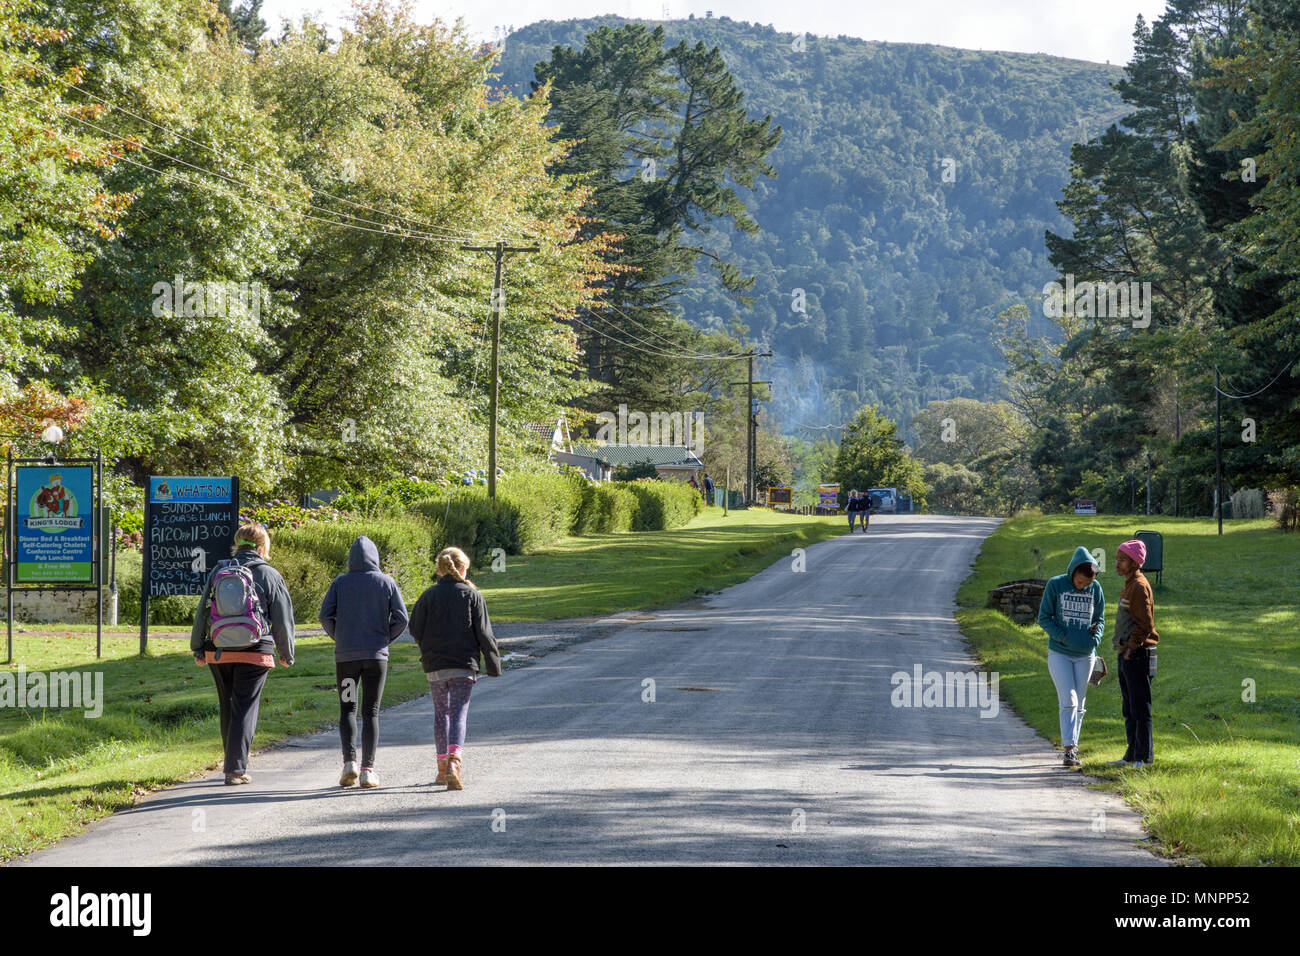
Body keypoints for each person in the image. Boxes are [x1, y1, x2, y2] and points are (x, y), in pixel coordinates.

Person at [190, 524, 295, 785]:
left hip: (219, 649)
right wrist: (286, 653)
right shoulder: (270, 574)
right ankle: (235, 769)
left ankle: (231, 764)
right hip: (255, 649)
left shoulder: (219, 570)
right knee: (245, 707)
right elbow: (282, 619)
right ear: (263, 546)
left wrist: (198, 647)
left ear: (237, 544)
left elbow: (204, 610)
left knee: (227, 704)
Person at [319, 535, 410, 789]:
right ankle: (369, 769)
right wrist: (384, 640)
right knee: (371, 711)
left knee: (347, 708)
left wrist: (340, 637)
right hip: (375, 658)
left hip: (346, 658)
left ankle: (349, 762)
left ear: (351, 559)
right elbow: (401, 618)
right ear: (375, 557)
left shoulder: (340, 583)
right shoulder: (386, 582)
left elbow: (325, 616)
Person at [409, 547, 502, 790]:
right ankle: (455, 761)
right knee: (459, 712)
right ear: (462, 569)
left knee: (441, 713)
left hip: (435, 665)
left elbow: (415, 629)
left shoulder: (428, 596)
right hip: (463, 664)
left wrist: (427, 647)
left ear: (439, 570)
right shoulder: (472, 596)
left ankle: (441, 767)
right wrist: (493, 663)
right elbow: (484, 633)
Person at [1037, 546, 1105, 768]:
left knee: (1081, 703)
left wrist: (1096, 636)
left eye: (1086, 584)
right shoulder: (1056, 585)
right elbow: (1044, 617)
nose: (1083, 586)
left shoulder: (1096, 589)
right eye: (1079, 582)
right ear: (1073, 572)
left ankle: (1072, 748)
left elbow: (1100, 618)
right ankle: (1068, 749)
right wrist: (1062, 637)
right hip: (1060, 653)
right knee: (1069, 699)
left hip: (1085, 654)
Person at [1110, 539, 1159, 767]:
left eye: (1122, 560)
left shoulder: (1139, 586)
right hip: (1126, 653)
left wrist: (1131, 648)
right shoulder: (1129, 583)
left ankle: (1143, 757)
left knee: (1140, 707)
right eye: (1117, 559)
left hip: (1138, 654)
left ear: (1135, 563)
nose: (1117, 564)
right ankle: (1131, 755)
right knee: (1129, 707)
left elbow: (1145, 625)